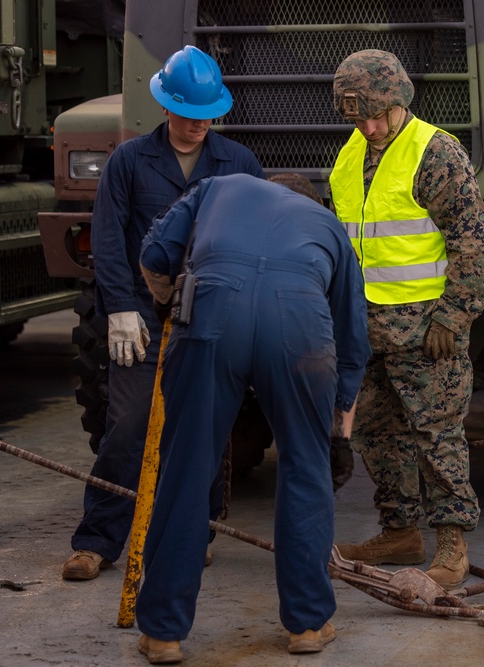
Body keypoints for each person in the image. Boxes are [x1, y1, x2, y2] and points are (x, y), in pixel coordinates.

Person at [134, 172, 370, 663]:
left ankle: (163, 633)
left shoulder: (218, 187)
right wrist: (337, 433)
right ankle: (308, 625)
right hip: (299, 327)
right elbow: (352, 342)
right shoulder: (331, 228)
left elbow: (155, 255)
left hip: (213, 310)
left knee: (186, 470)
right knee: (306, 471)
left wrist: (169, 302)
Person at [61, 45, 264, 581]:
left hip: (211, 315)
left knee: (201, 427)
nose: (199, 125)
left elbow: (254, 242)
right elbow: (108, 240)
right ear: (167, 106)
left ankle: (192, 534)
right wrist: (119, 310)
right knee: (128, 424)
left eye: (207, 115)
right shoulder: (129, 161)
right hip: (143, 316)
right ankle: (98, 540)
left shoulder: (239, 164)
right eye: (189, 114)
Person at [328, 49, 484, 589]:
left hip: (426, 329)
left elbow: (474, 240)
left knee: (436, 434)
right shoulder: (350, 154)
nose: (370, 128)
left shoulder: (435, 152)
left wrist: (455, 315)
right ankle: (399, 532)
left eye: (378, 115)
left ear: (400, 100)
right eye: (359, 118)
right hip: (364, 326)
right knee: (375, 431)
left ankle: (451, 546)